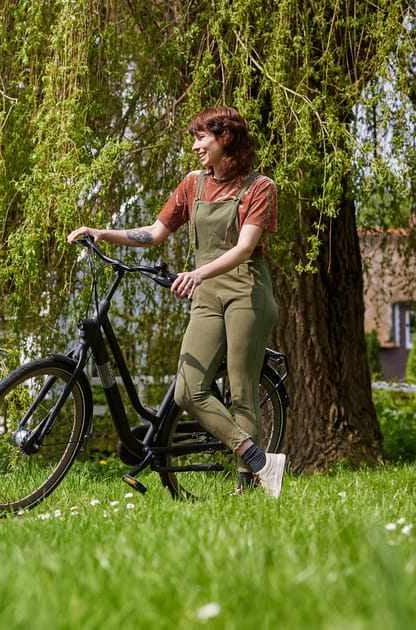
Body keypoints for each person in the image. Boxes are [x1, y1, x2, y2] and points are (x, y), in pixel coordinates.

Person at [67, 106, 287, 498]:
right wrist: (102, 232)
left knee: (241, 390)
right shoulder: (192, 184)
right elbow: (154, 233)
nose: (195, 146)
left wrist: (199, 272)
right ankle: (260, 461)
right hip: (205, 294)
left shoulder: (260, 187)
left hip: (246, 291)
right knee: (189, 388)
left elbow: (244, 248)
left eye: (201, 137)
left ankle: (247, 488)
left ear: (226, 138)